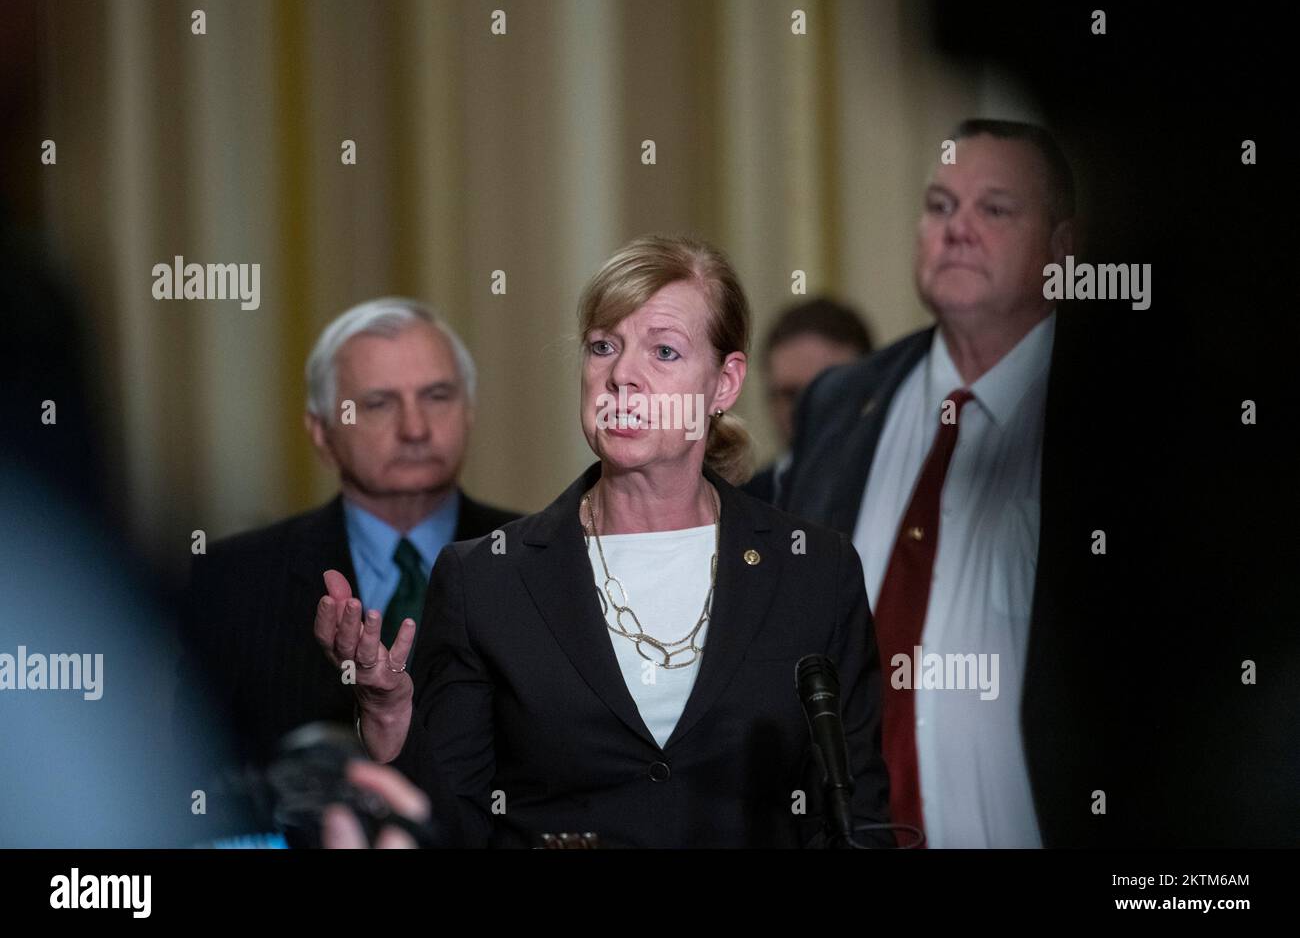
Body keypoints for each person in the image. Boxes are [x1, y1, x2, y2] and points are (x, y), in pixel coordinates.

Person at [314, 235, 893, 847]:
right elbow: (451, 828)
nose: (621, 376)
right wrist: (388, 710)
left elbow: (860, 819)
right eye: (603, 347)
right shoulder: (486, 579)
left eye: (664, 351)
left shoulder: (814, 570)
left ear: (724, 384)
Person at [783, 119, 1111, 847]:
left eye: (995, 209)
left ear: (1065, 248)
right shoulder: (840, 404)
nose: (957, 229)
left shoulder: (1121, 423)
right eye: (939, 206)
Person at [180, 299, 519, 768]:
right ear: (321, 432)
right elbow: (196, 775)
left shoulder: (542, 558)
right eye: (379, 404)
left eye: (437, 396)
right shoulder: (233, 580)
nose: (415, 428)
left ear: (469, 411)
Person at [743, 297, 873, 506]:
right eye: (790, 395)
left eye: (824, 390)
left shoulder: (909, 487)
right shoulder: (738, 505)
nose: (805, 409)